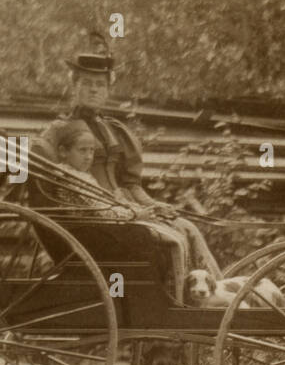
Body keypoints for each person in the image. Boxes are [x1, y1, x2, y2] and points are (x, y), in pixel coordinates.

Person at [42, 38, 219, 279]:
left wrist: (153, 205)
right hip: (94, 219)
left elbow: (130, 186)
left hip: (125, 208)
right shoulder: (59, 130)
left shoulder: (113, 129)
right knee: (173, 237)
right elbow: (45, 169)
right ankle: (186, 298)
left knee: (188, 228)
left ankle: (211, 291)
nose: (94, 89)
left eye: (100, 85)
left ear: (107, 90)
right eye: (86, 83)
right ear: (75, 86)